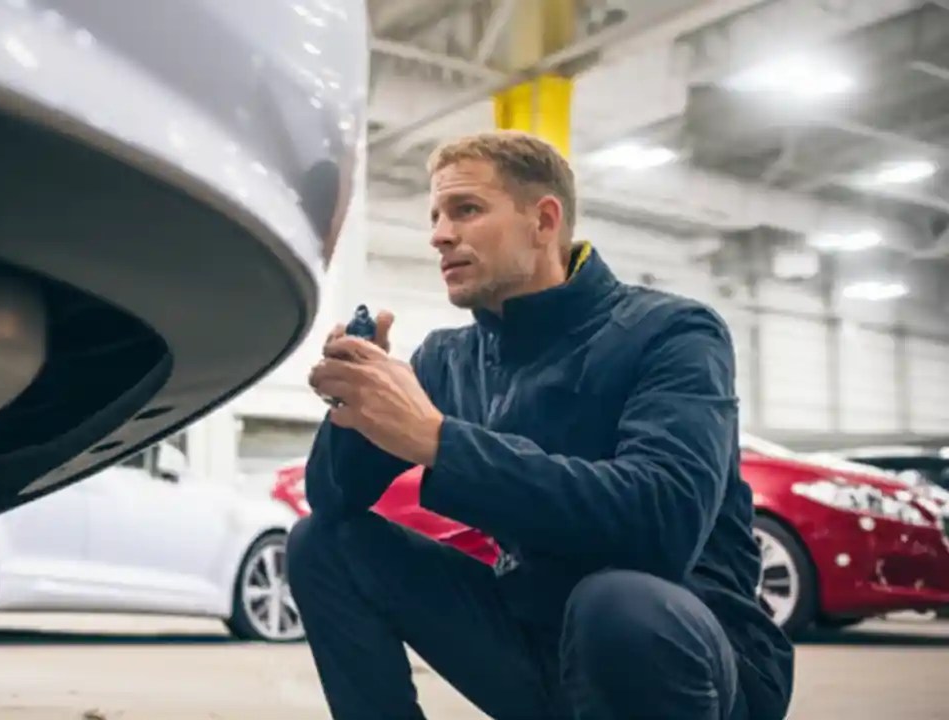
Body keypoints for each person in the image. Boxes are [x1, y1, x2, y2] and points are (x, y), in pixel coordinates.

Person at [289, 130, 795, 720]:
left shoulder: (673, 333)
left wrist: (438, 441)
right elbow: (331, 501)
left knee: (617, 602)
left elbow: (663, 523)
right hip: (538, 645)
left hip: (688, 653)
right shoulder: (448, 359)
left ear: (544, 219)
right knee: (323, 545)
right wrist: (355, 405)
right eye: (435, 216)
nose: (439, 235)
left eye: (466, 210)